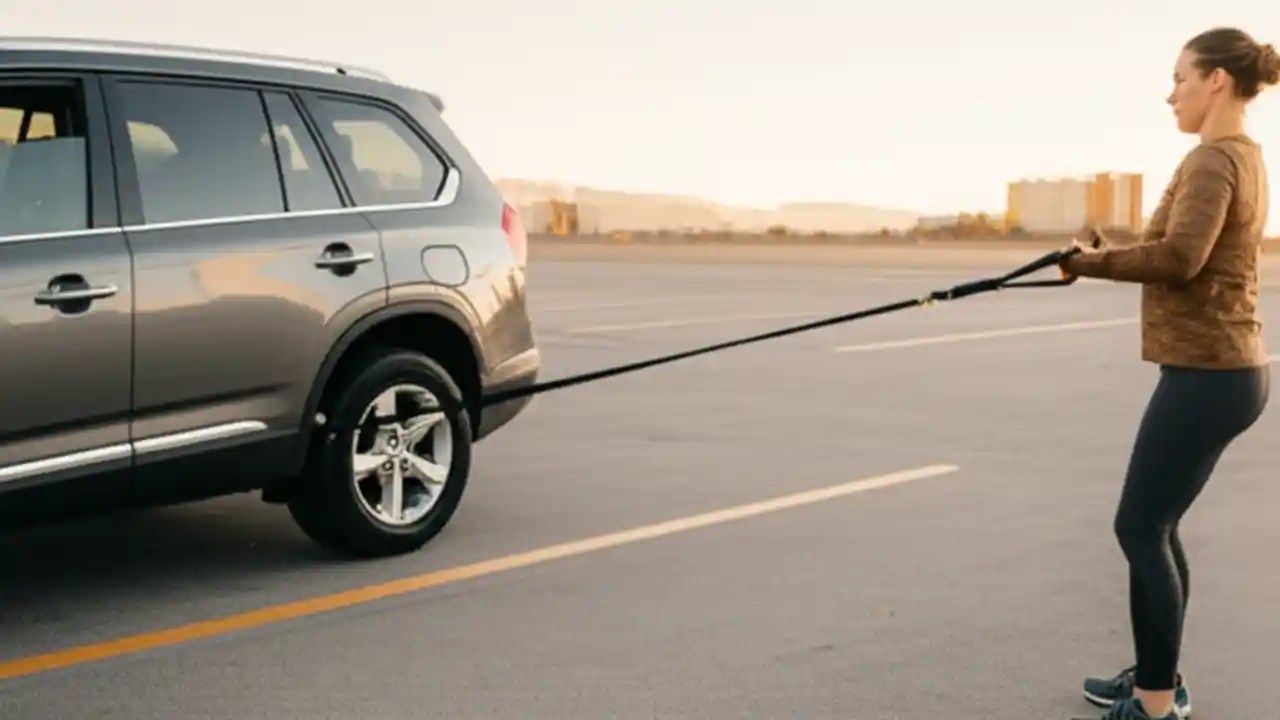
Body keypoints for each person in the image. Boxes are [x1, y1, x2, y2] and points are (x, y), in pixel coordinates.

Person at [1058, 26, 1280, 720]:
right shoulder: (1233, 156)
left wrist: (1087, 264)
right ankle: (1159, 678)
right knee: (1158, 525)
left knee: (1139, 527)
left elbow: (1179, 258)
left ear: (1217, 81)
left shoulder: (1217, 160)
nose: (1170, 93)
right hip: (1220, 371)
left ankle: (1155, 704)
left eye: (1181, 77)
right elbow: (1170, 246)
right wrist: (1099, 255)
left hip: (1210, 376)